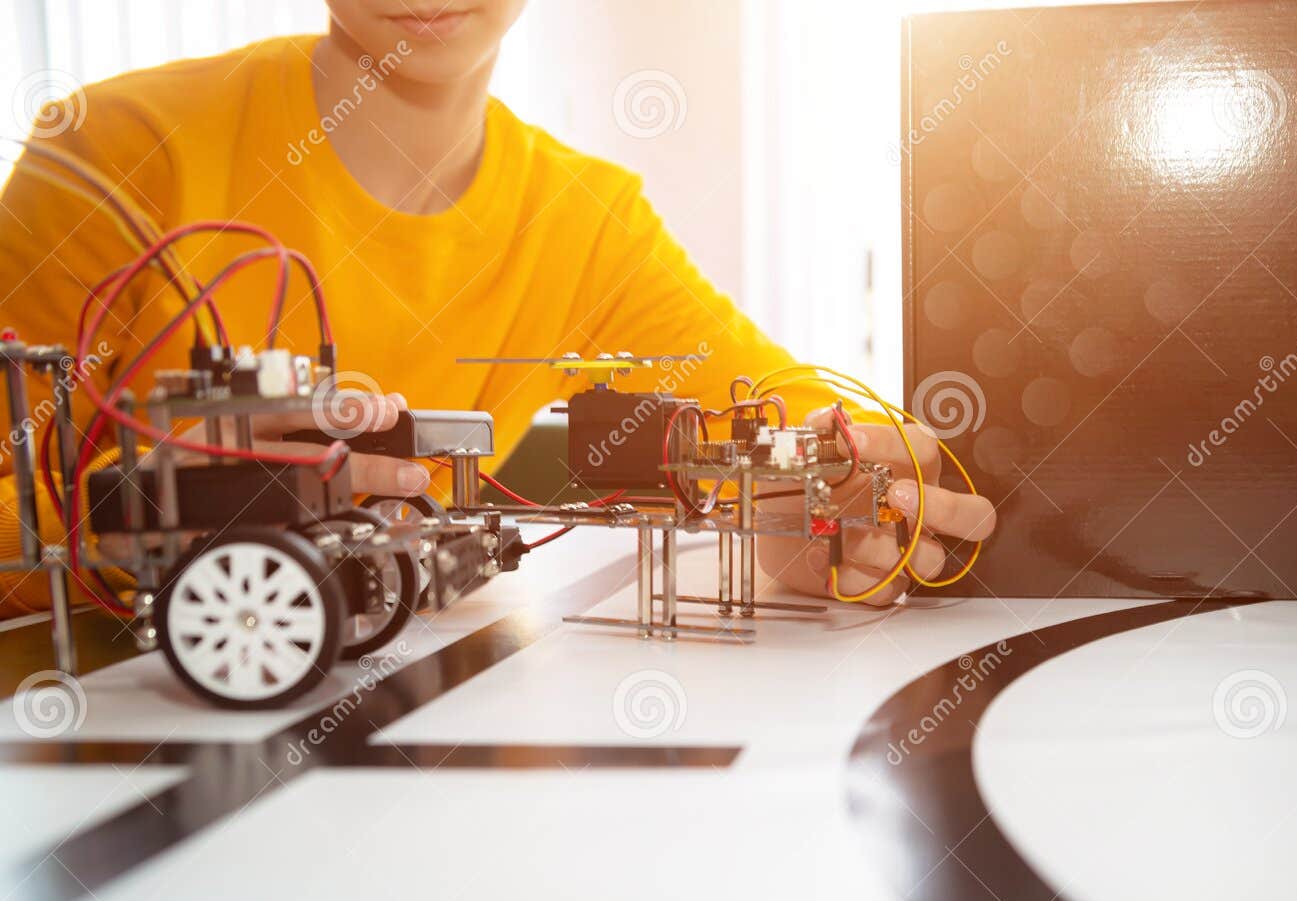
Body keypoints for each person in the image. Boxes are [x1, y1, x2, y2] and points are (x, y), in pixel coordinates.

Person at [0, 0, 994, 618]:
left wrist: (824, 504)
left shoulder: (585, 219)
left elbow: (781, 411)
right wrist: (134, 518)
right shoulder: (115, 149)